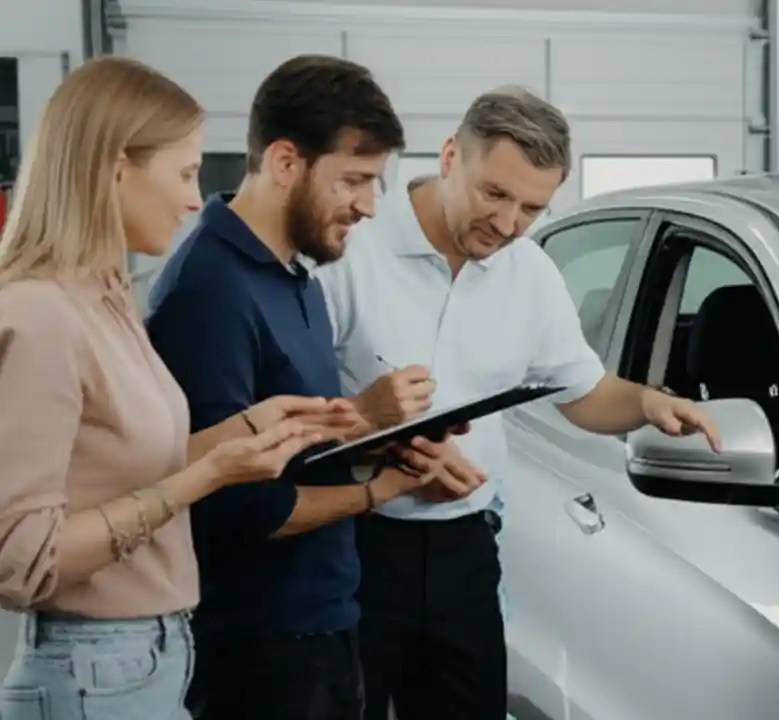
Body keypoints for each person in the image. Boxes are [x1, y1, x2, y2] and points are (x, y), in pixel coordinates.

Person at [315, 85, 721, 720]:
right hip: (350, 543)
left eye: (531, 208)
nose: (506, 225)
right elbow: (287, 412)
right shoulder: (349, 253)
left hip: (465, 553)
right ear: (451, 156)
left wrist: (646, 402)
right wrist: (385, 440)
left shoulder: (529, 273)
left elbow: (582, 394)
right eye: (494, 194)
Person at [0, 56, 346, 720]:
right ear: (116, 166)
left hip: (148, 658)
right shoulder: (41, 315)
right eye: (185, 173)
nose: (196, 198)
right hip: (92, 670)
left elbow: (121, 467)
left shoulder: (107, 299)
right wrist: (206, 476)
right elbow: (23, 560)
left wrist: (254, 426)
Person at [145, 54, 486, 720]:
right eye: (353, 180)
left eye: (376, 181)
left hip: (322, 624)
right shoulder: (210, 290)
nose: (368, 204)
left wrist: (391, 445)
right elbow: (230, 507)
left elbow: (295, 453)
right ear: (284, 163)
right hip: (257, 647)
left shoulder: (297, 278)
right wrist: (377, 490)